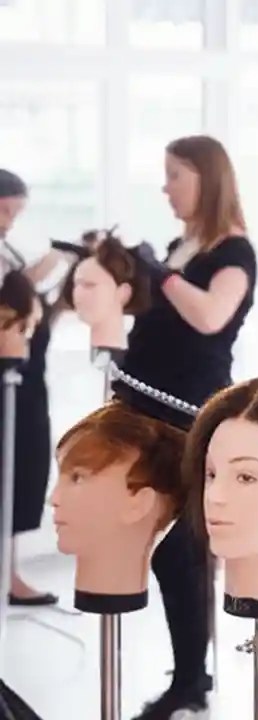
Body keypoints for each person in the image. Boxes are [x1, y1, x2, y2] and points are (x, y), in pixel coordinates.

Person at [116, 135, 257, 719]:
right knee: (157, 546)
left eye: (175, 174)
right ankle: (190, 675)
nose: (166, 187)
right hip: (141, 410)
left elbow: (209, 316)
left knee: (184, 552)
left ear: (206, 178)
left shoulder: (234, 252)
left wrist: (161, 274)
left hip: (190, 416)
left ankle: (192, 679)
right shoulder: (182, 246)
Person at [0, 168, 72, 607]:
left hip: (26, 384)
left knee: (19, 475)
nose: (9, 220)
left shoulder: (8, 253)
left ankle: (8, 574)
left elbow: (31, 316)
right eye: (4, 209)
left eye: (15, 213)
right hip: (6, 384)